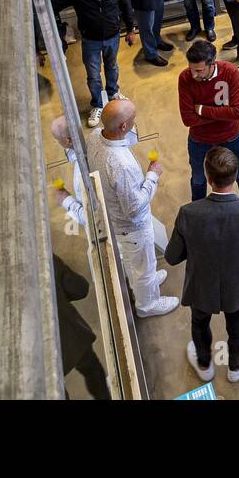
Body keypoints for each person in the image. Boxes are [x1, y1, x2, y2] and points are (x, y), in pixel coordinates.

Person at [166, 146, 239, 384]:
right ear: (235, 178)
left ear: (208, 178)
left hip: (201, 285)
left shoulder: (188, 213)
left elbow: (172, 256)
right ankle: (236, 365)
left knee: (199, 323)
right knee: (237, 326)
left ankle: (204, 364)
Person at [83, 100, 179, 317]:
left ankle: (146, 282)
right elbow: (134, 208)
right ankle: (147, 305)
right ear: (123, 127)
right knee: (142, 266)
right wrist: (152, 176)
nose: (135, 124)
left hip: (113, 215)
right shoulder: (121, 165)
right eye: (133, 121)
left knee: (135, 262)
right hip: (132, 227)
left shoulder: (95, 136)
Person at [178, 39, 239, 203]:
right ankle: (197, 215)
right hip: (199, 139)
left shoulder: (230, 72)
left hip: (231, 136)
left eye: (199, 70)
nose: (193, 75)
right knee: (198, 180)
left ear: (212, 64)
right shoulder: (185, 78)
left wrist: (200, 109)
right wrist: (222, 113)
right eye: (191, 69)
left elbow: (237, 112)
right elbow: (188, 119)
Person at [64, 0, 135, 127]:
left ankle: (112, 92)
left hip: (112, 36)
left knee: (112, 65)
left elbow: (126, 6)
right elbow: (53, 6)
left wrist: (131, 29)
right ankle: (97, 104)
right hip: (90, 40)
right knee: (94, 75)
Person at [52, 255, 111, 399]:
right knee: (91, 368)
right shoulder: (41, 257)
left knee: (56, 392)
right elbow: (80, 289)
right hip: (69, 337)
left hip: (36, 365)